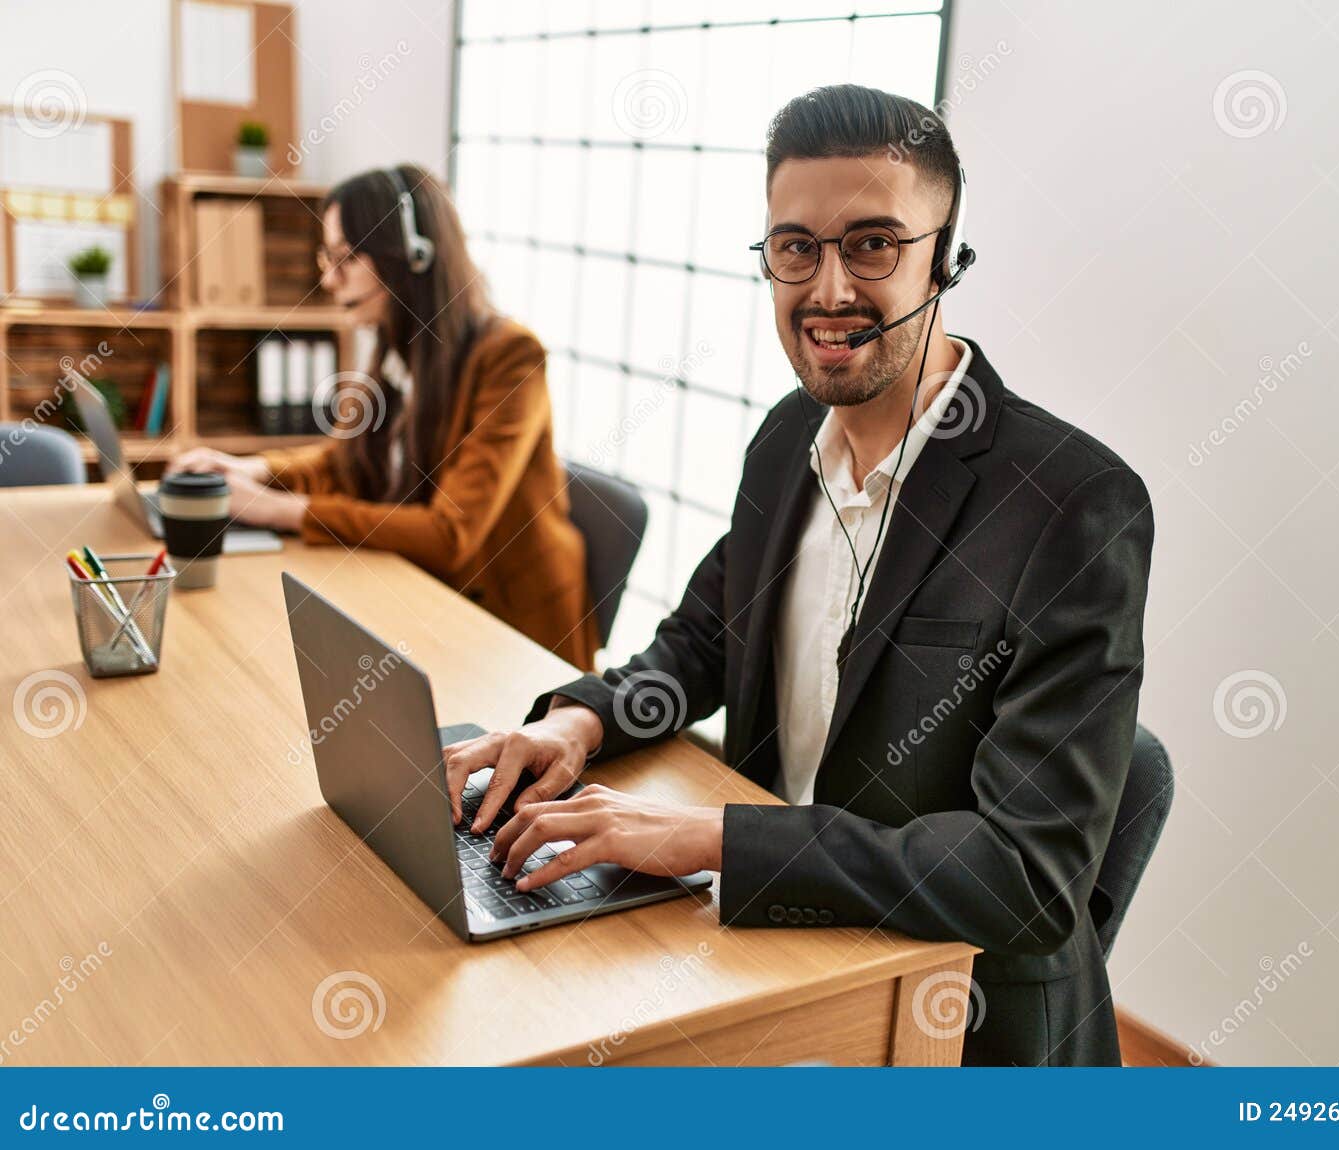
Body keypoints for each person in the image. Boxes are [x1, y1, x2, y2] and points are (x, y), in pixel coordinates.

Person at [440, 87, 1155, 1065]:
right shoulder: (787, 439)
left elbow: (1026, 874)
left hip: (948, 1013)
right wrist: (577, 722)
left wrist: (710, 839)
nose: (827, 289)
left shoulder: (1069, 503)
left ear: (945, 259)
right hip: (770, 949)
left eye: (872, 245)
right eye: (794, 247)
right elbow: (701, 640)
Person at [167, 164, 598, 670]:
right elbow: (350, 459)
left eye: (346, 258)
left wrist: (277, 509)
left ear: (412, 259)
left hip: (509, 635)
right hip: (423, 599)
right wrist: (254, 470)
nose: (328, 280)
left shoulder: (509, 358)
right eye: (327, 257)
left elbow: (450, 535)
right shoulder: (400, 346)